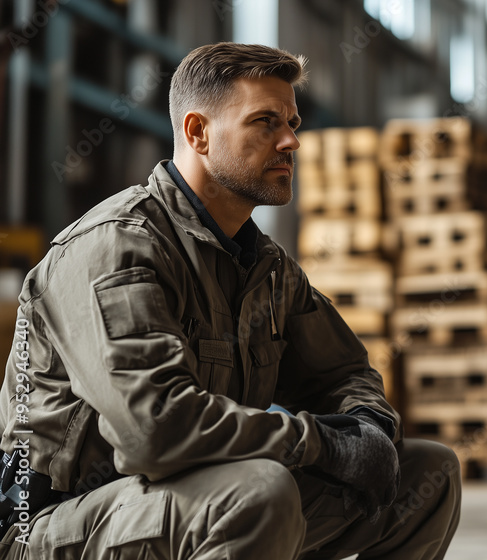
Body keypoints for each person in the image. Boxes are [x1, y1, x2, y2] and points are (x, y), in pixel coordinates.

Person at [0, 42, 461, 559]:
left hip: (193, 498)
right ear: (197, 133)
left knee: (428, 472)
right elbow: (155, 430)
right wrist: (325, 443)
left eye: (293, 122)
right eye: (265, 122)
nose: (291, 141)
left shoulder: (265, 267)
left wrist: (369, 428)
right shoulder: (116, 246)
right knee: (259, 493)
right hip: (59, 524)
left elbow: (343, 372)